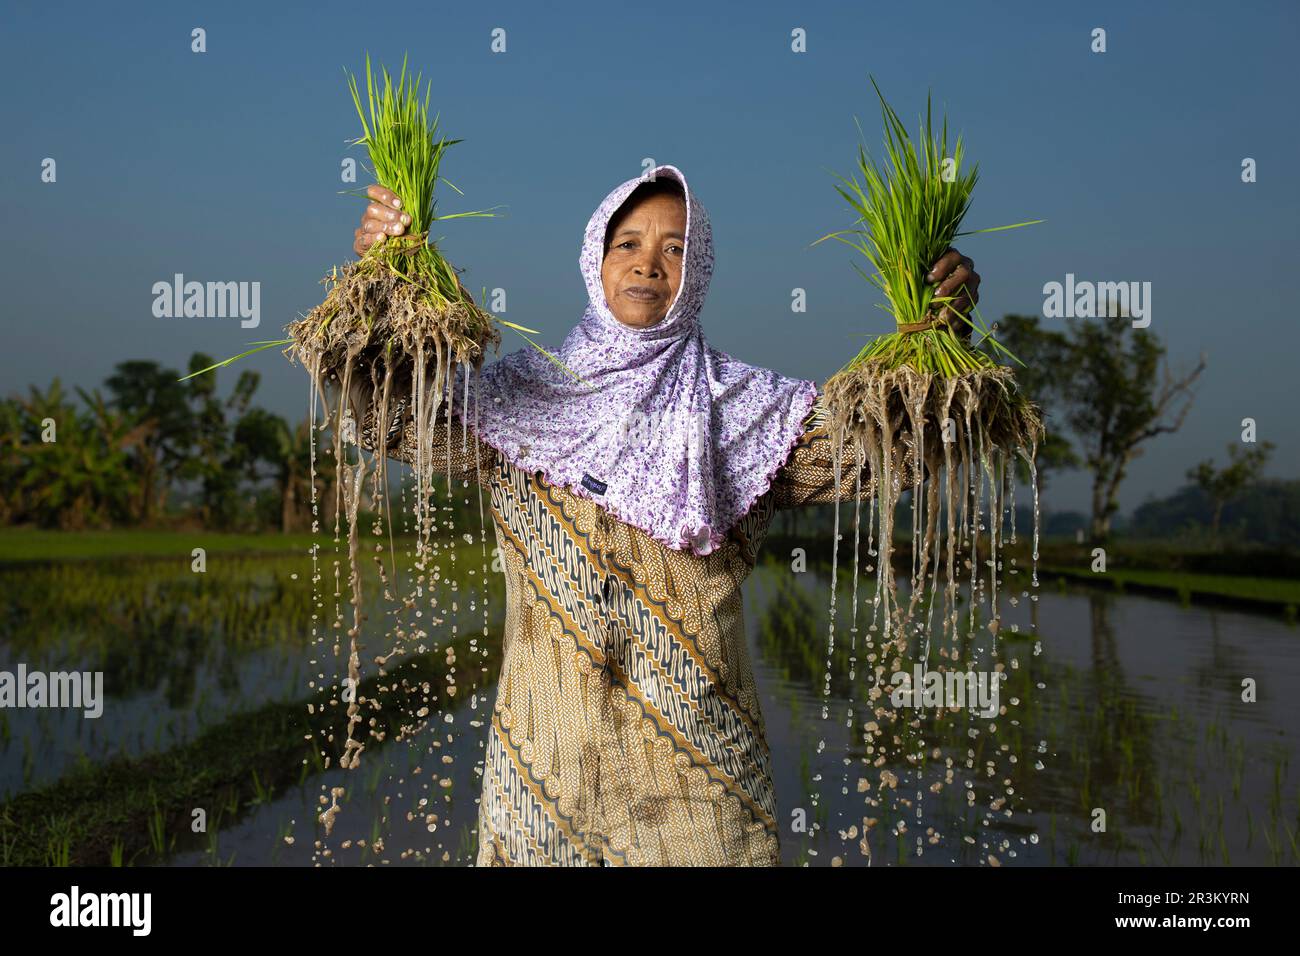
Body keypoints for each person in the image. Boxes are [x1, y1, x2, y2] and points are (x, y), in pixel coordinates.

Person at [347, 165, 979, 866]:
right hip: (543, 781)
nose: (648, 262)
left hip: (699, 790)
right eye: (628, 243)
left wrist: (940, 332)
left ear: (699, 269)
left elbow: (894, 448)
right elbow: (390, 420)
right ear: (596, 258)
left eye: (675, 248)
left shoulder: (750, 414)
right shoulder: (520, 401)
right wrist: (387, 278)